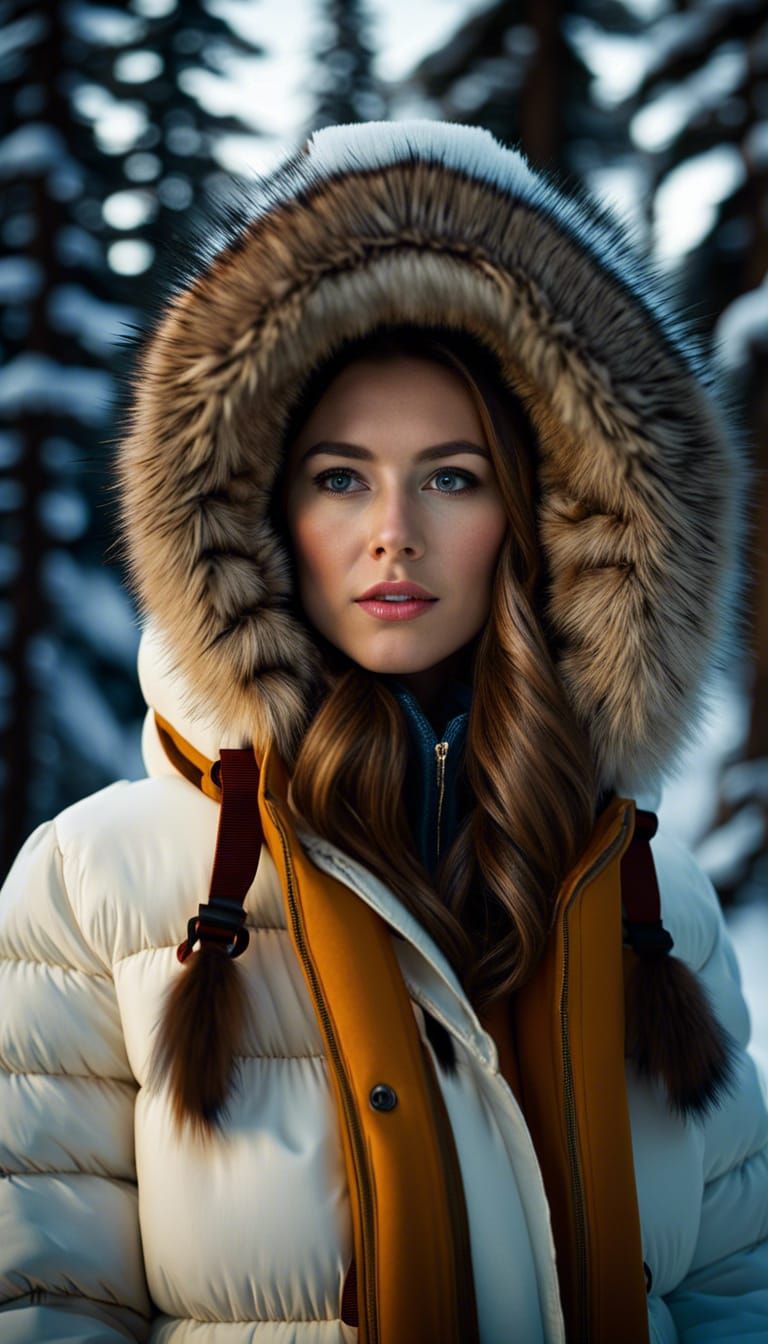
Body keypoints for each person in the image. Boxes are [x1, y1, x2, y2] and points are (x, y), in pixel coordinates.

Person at [0, 118, 766, 1344]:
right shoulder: (92, 889)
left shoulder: (655, 895)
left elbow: (736, 1297)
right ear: (252, 505)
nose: (394, 532)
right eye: (340, 476)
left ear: (540, 512)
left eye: (453, 476)